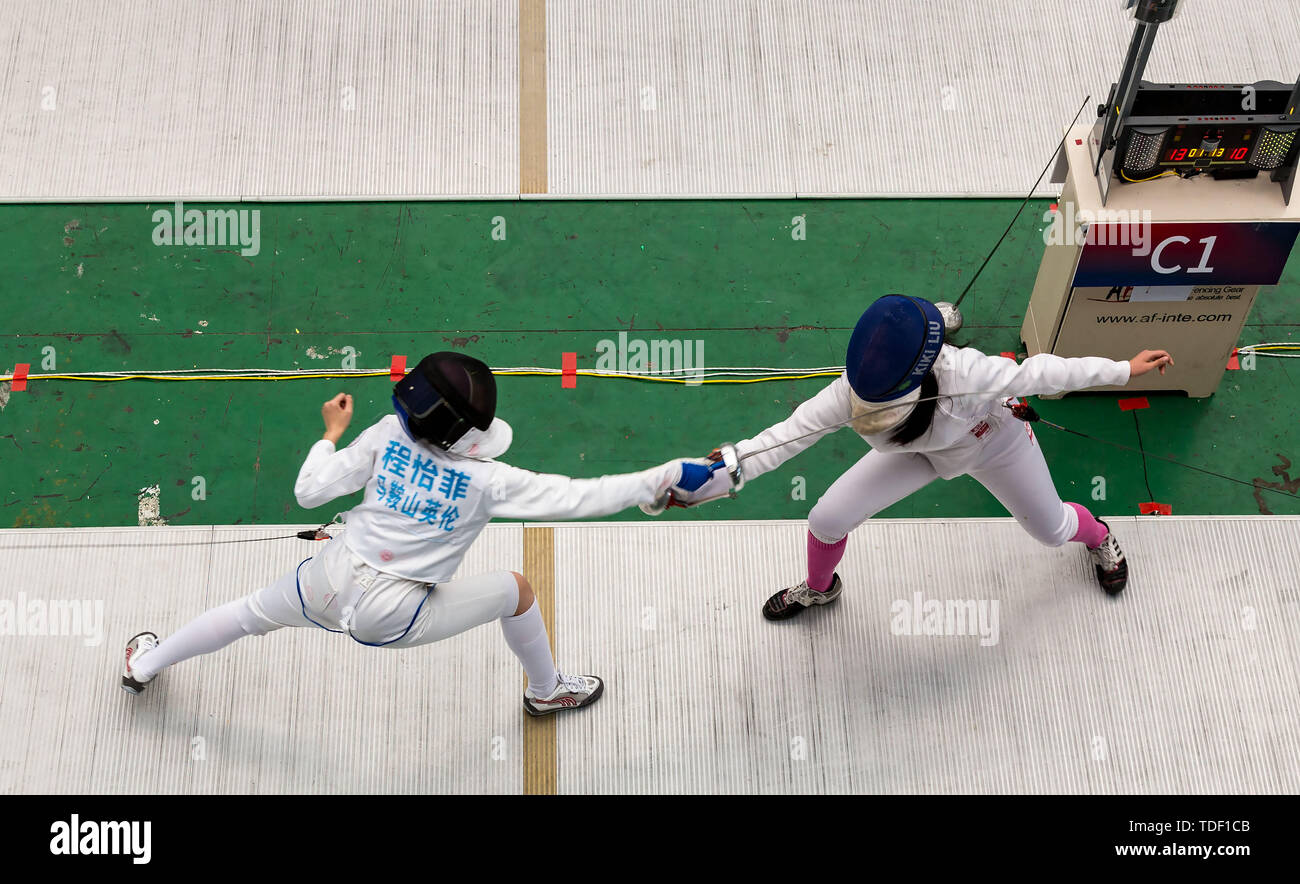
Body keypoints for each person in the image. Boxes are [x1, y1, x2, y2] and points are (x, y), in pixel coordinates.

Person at [122, 351, 713, 715]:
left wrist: (330, 431)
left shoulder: (383, 433)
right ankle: (546, 690)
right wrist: (659, 479)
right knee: (515, 590)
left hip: (328, 579)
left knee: (247, 614)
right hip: (391, 614)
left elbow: (310, 491)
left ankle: (143, 666)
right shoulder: (491, 480)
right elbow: (581, 496)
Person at [671, 295, 1173, 619]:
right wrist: (717, 477)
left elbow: (1040, 374)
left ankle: (1100, 535)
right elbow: (783, 438)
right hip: (920, 454)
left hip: (990, 440)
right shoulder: (849, 391)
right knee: (827, 516)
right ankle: (820, 588)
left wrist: (1123, 370)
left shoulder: (967, 373)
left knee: (1051, 531)